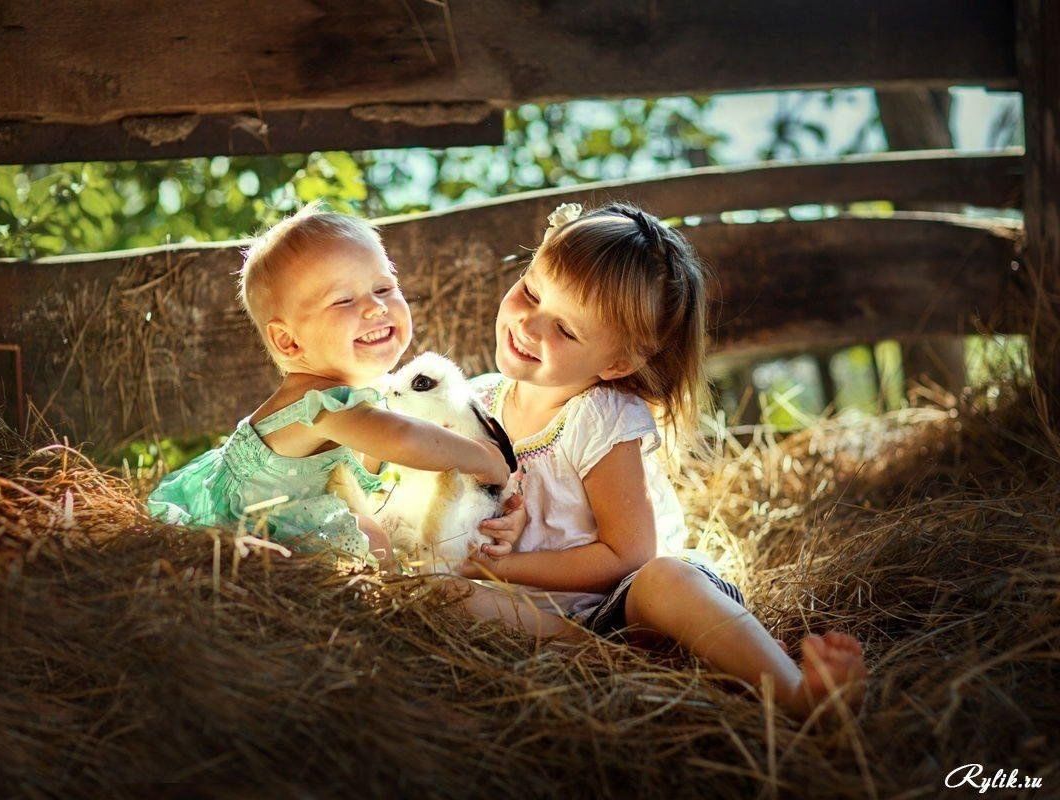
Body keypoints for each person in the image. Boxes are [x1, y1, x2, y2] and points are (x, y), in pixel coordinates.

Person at [456, 201, 866, 720]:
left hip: (620, 611)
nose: (530, 325)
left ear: (617, 363)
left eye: (567, 330)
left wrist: (507, 568)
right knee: (436, 592)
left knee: (665, 579)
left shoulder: (600, 418)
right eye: (532, 292)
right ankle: (598, 664)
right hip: (537, 622)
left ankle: (797, 694)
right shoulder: (476, 400)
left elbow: (627, 556)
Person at [147, 202, 510, 567]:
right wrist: (479, 458)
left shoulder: (372, 396)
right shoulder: (319, 402)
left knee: (388, 526)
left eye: (384, 288)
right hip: (253, 538)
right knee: (373, 542)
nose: (375, 308)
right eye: (344, 300)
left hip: (298, 527)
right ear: (289, 342)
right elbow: (401, 439)